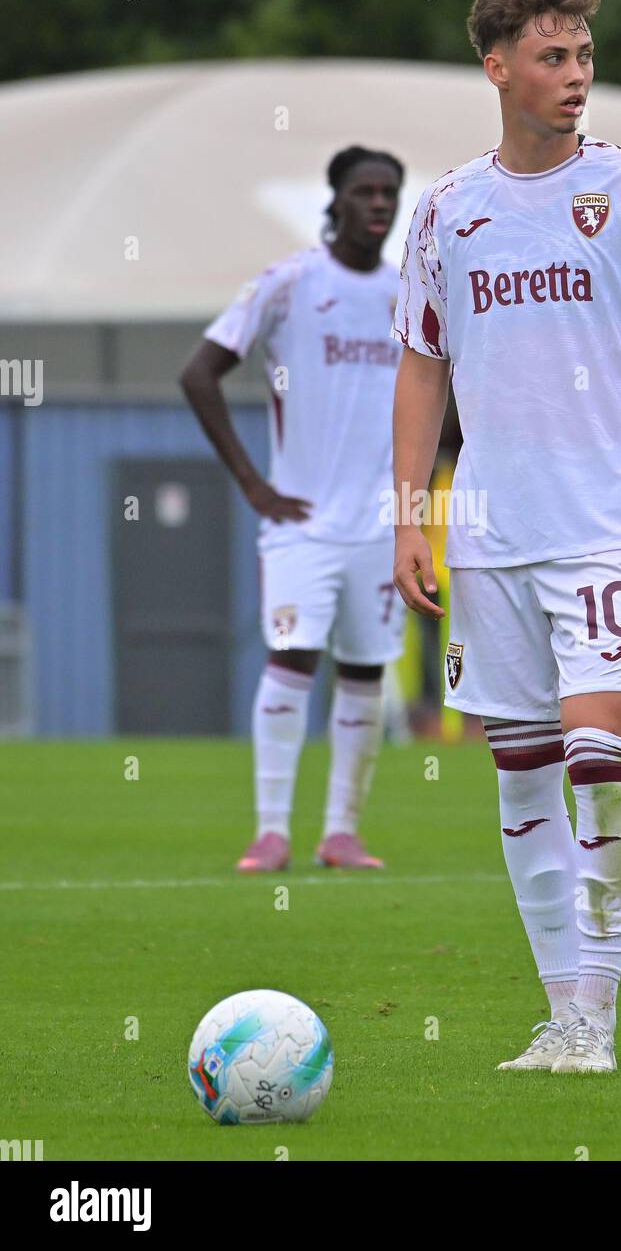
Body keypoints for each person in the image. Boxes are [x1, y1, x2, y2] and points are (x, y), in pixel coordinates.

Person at [391, 0, 621, 1073]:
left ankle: (598, 1008)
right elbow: (419, 366)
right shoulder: (447, 209)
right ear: (496, 68)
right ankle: (562, 1014)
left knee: (596, 757)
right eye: (551, 57)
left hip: (606, 530)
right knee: (524, 770)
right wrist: (410, 517)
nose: (575, 76)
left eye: (583, 56)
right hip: (490, 537)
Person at [180, 145, 406, 872]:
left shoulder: (408, 295)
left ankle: (341, 832)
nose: (378, 204)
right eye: (364, 191)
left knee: (367, 671)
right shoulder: (290, 283)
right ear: (334, 200)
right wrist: (254, 485)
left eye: (388, 193)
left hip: (380, 526)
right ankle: (271, 830)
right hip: (300, 525)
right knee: (290, 660)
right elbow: (200, 373)